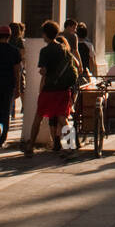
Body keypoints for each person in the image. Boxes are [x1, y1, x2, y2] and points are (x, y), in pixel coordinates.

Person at [26, 21, 78, 156]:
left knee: (38, 118)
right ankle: (70, 146)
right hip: (63, 89)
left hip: (49, 89)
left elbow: (43, 71)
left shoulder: (45, 51)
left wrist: (44, 75)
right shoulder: (64, 49)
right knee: (63, 118)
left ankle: (30, 146)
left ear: (45, 34)